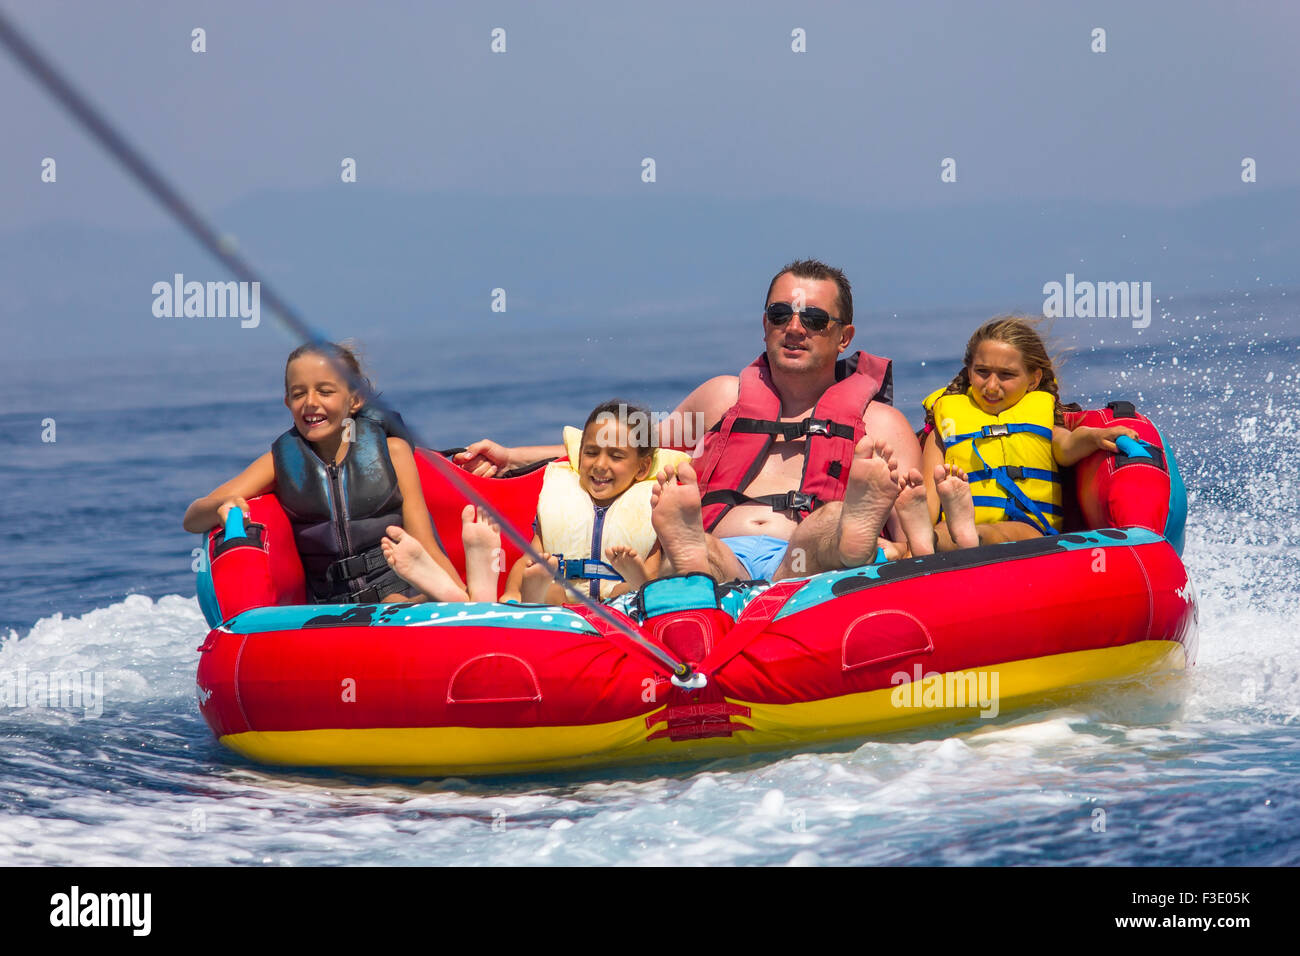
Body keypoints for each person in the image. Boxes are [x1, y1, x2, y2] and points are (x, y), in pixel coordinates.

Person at [457, 260, 924, 583]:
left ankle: (850, 530)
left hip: (812, 563)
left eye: (815, 319)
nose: (795, 328)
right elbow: (630, 453)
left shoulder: (879, 425)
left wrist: (902, 547)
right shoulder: (723, 396)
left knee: (831, 524)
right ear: (765, 323)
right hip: (723, 554)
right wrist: (515, 455)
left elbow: (920, 539)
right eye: (781, 314)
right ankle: (686, 552)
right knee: (693, 545)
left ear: (845, 337)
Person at [182, 341, 469, 603]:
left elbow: (426, 544)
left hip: (402, 597)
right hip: (329, 614)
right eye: (298, 394)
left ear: (354, 400)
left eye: (325, 391)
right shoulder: (279, 464)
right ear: (287, 403)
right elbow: (192, 518)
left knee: (395, 601)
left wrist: (464, 606)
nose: (310, 402)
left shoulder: (392, 452)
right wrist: (222, 505)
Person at [386, 399, 689, 604]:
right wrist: (515, 589)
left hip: (619, 599)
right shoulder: (562, 491)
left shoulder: (655, 500)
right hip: (557, 601)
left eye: (616, 456)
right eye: (592, 452)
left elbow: (657, 568)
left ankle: (471, 595)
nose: (600, 465)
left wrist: (639, 576)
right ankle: (498, 596)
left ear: (641, 468)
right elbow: (532, 554)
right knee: (538, 572)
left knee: (639, 586)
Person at [894, 316, 1138, 554]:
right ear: (969, 372)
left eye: (1006, 375)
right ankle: (928, 541)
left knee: (997, 534)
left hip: (1028, 525)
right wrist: (916, 526)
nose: (991, 385)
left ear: (1034, 379)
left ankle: (965, 535)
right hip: (958, 527)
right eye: (982, 372)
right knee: (940, 534)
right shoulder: (944, 428)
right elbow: (931, 493)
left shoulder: (1043, 418)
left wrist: (1094, 436)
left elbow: (1067, 446)